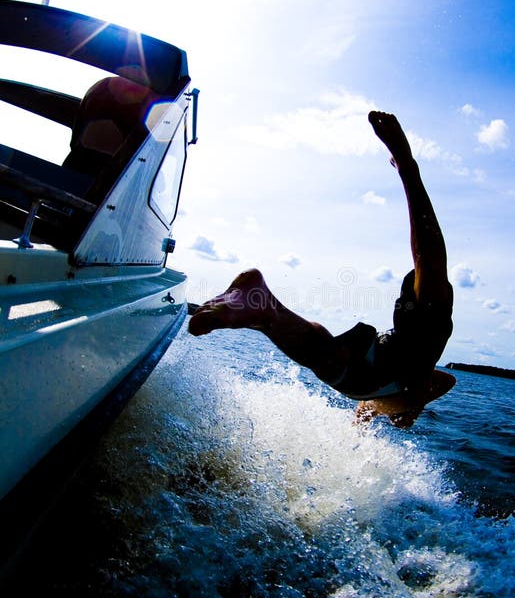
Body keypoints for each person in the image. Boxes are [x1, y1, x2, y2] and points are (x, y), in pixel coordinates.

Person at [189, 111, 455, 428]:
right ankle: (261, 309)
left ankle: (260, 302)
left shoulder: (416, 366)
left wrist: (381, 410)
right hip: (379, 369)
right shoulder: (430, 331)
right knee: (326, 355)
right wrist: (407, 166)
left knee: (325, 350)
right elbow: (430, 255)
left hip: (377, 360)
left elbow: (439, 382)